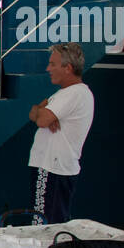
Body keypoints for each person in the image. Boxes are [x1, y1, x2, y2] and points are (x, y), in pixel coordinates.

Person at [28, 43, 94, 224]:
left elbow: (41, 120)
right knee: (52, 222)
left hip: (52, 168)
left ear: (68, 68)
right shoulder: (67, 94)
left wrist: (43, 111)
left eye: (53, 64)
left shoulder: (73, 94)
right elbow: (33, 113)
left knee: (43, 225)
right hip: (53, 168)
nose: (48, 69)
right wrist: (41, 109)